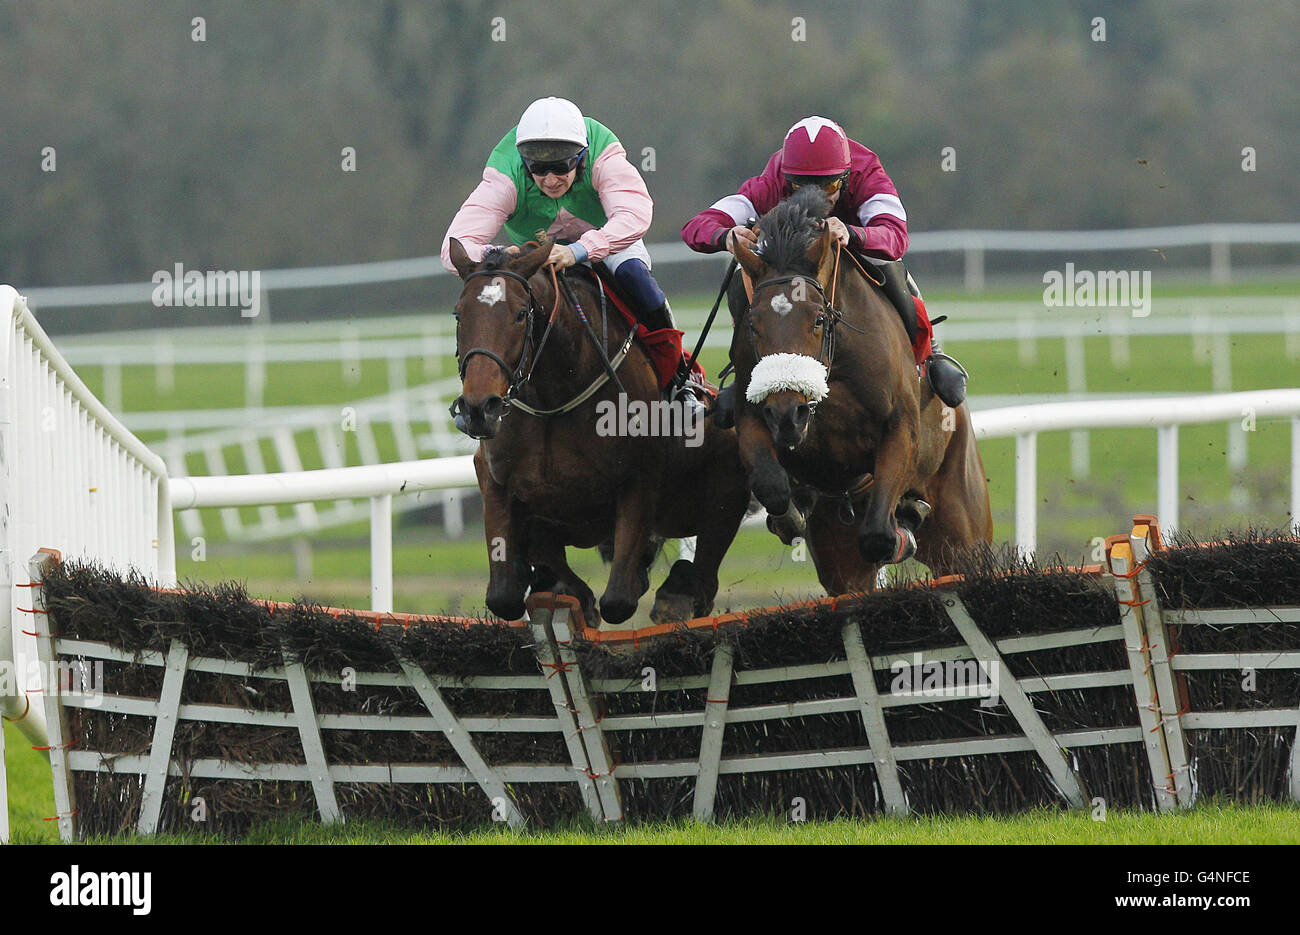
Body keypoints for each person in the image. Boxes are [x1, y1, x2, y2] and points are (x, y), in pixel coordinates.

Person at [681, 115, 968, 412]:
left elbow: (895, 235)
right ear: (786, 176)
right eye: (800, 185)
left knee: (890, 264)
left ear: (846, 176)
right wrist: (723, 235)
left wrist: (854, 232)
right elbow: (696, 226)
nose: (817, 196)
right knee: (744, 274)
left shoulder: (866, 169)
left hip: (852, 243)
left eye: (829, 185)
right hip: (795, 257)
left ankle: (929, 354)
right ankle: (742, 370)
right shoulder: (774, 177)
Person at [441, 97, 707, 415]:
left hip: (608, 240)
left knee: (636, 278)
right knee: (500, 304)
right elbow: (454, 246)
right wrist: (498, 253)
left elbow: (634, 215)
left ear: (582, 156)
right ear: (523, 159)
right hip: (537, 255)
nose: (550, 179)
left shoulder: (603, 153)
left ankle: (680, 379)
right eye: (537, 169)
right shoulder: (505, 170)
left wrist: (578, 251)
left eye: (562, 166)